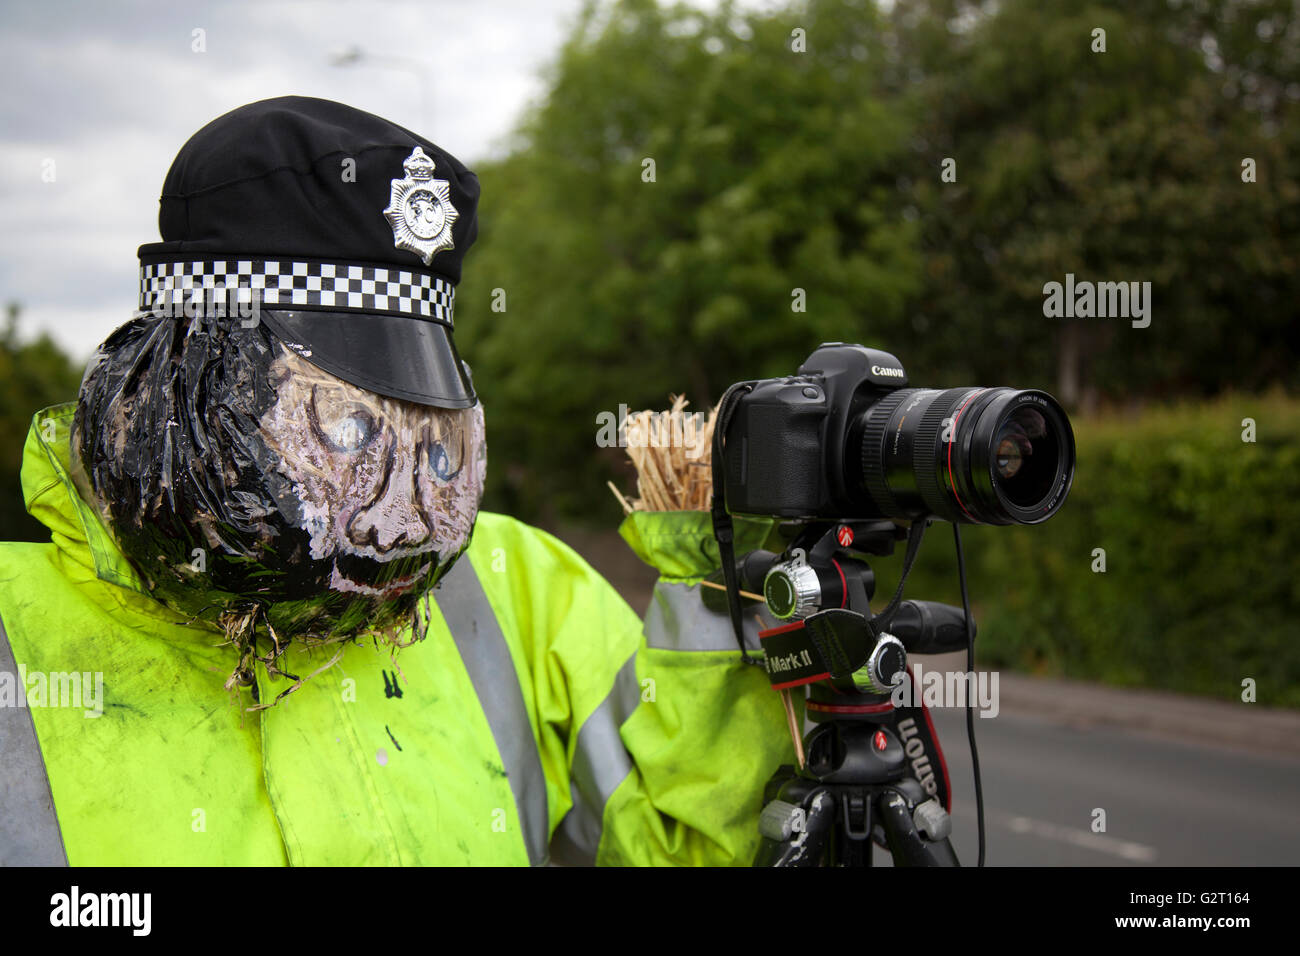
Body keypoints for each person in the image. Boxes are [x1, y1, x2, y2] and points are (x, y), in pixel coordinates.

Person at [0, 96, 794, 866]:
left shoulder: (520, 587)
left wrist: (715, 594)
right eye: (347, 432)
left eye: (436, 450)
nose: (402, 527)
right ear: (180, 383)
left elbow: (682, 852)